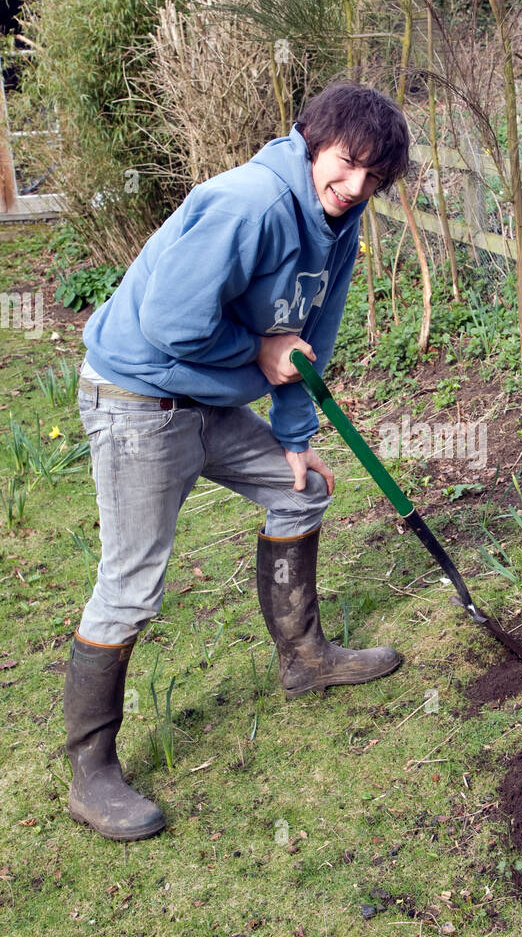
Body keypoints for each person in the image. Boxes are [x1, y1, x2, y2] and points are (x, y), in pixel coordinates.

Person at [64, 80, 411, 842]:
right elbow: (170, 323)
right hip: (138, 398)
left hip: (202, 401)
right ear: (313, 141)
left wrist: (293, 434)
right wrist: (256, 353)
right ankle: (91, 776)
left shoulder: (339, 224)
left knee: (303, 491)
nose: (354, 189)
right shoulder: (249, 203)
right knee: (131, 584)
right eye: (346, 165)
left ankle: (305, 659)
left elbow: (305, 341)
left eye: (373, 179)